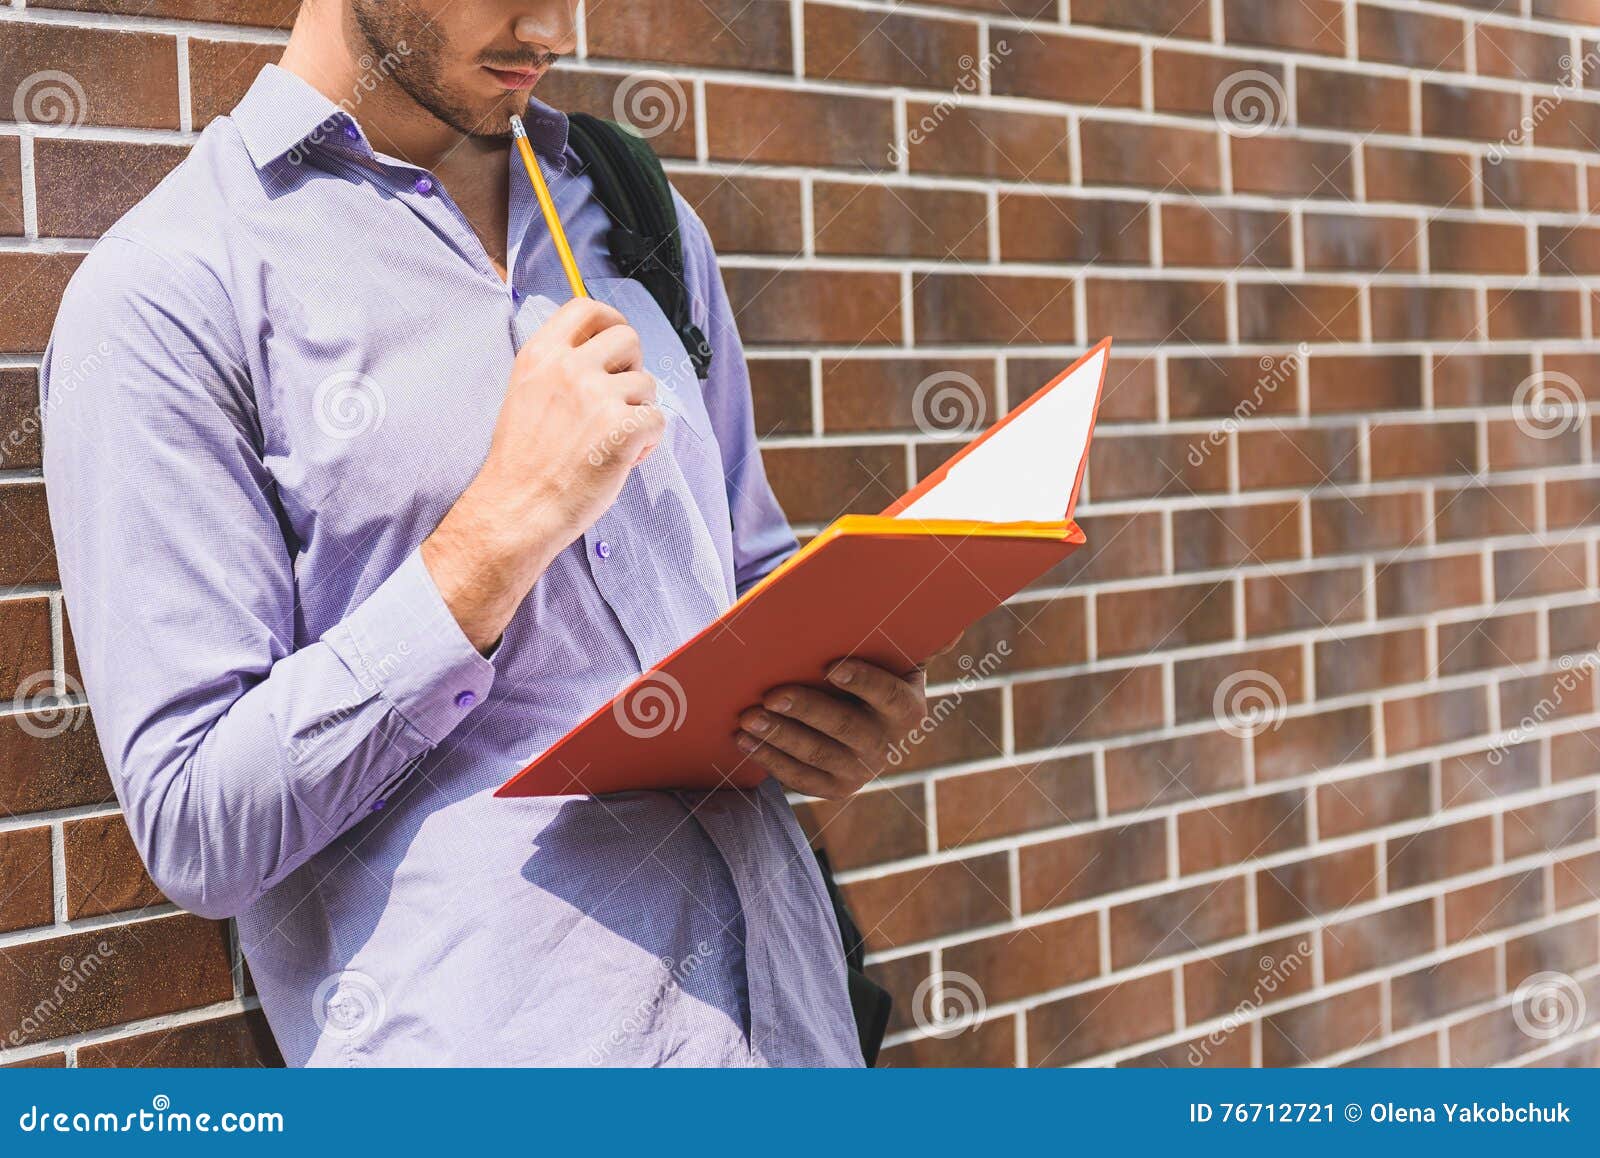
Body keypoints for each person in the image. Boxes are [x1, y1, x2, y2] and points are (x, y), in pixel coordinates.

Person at [41, 0, 933, 1066]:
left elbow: (745, 575)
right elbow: (197, 827)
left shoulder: (634, 213)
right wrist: (497, 536)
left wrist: (836, 701)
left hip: (793, 1041)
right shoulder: (172, 292)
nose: (555, 28)